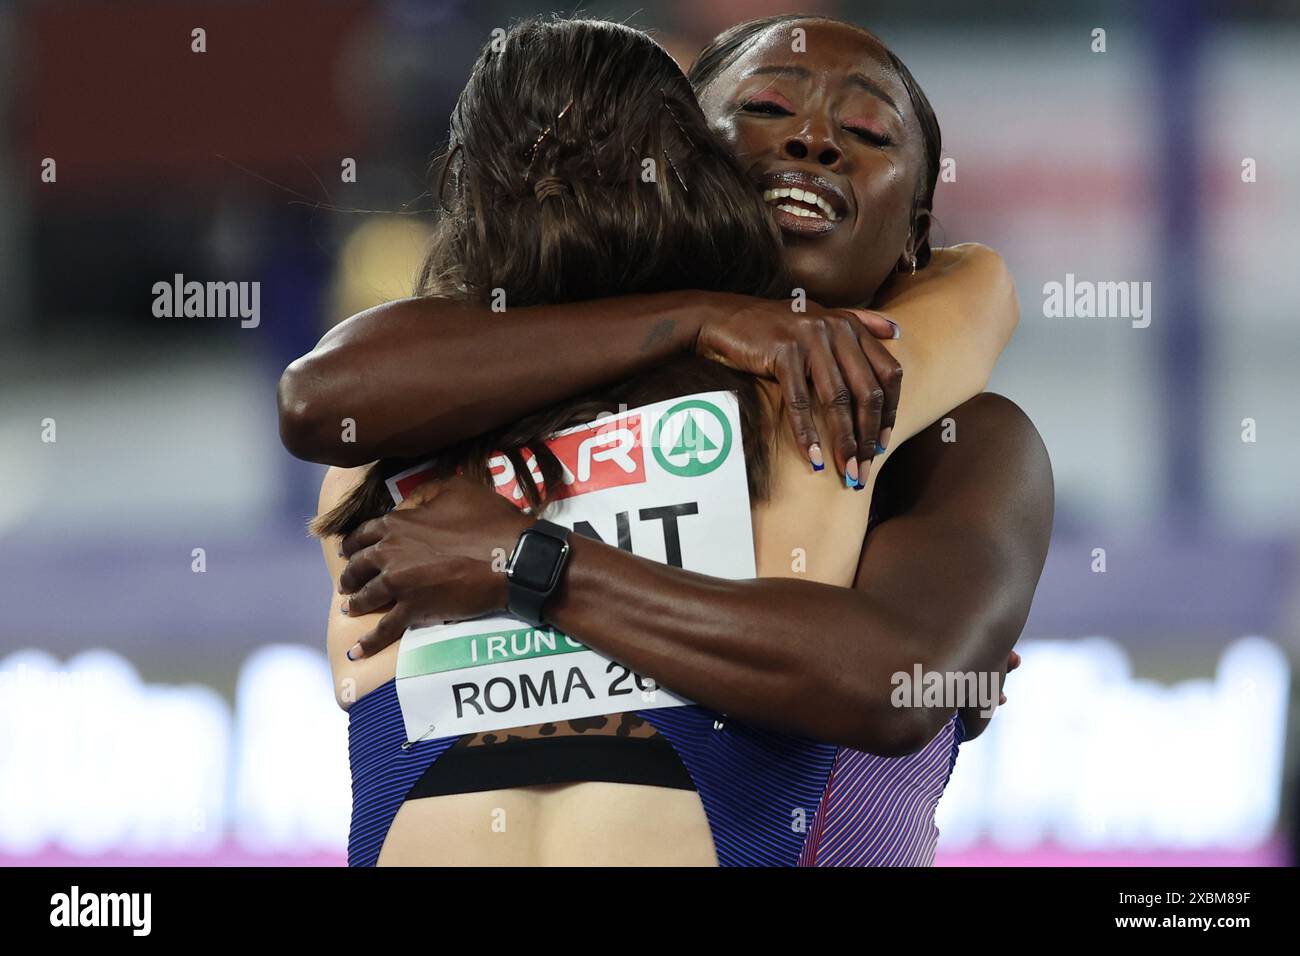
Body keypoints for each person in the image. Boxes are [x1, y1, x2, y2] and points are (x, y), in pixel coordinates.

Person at [282, 16, 1053, 866]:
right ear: (676, 157)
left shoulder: (944, 432)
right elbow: (319, 396)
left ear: (915, 235)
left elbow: (898, 684)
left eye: (868, 132)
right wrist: (702, 318)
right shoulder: (438, 401)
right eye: (765, 108)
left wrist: (525, 562)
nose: (815, 141)